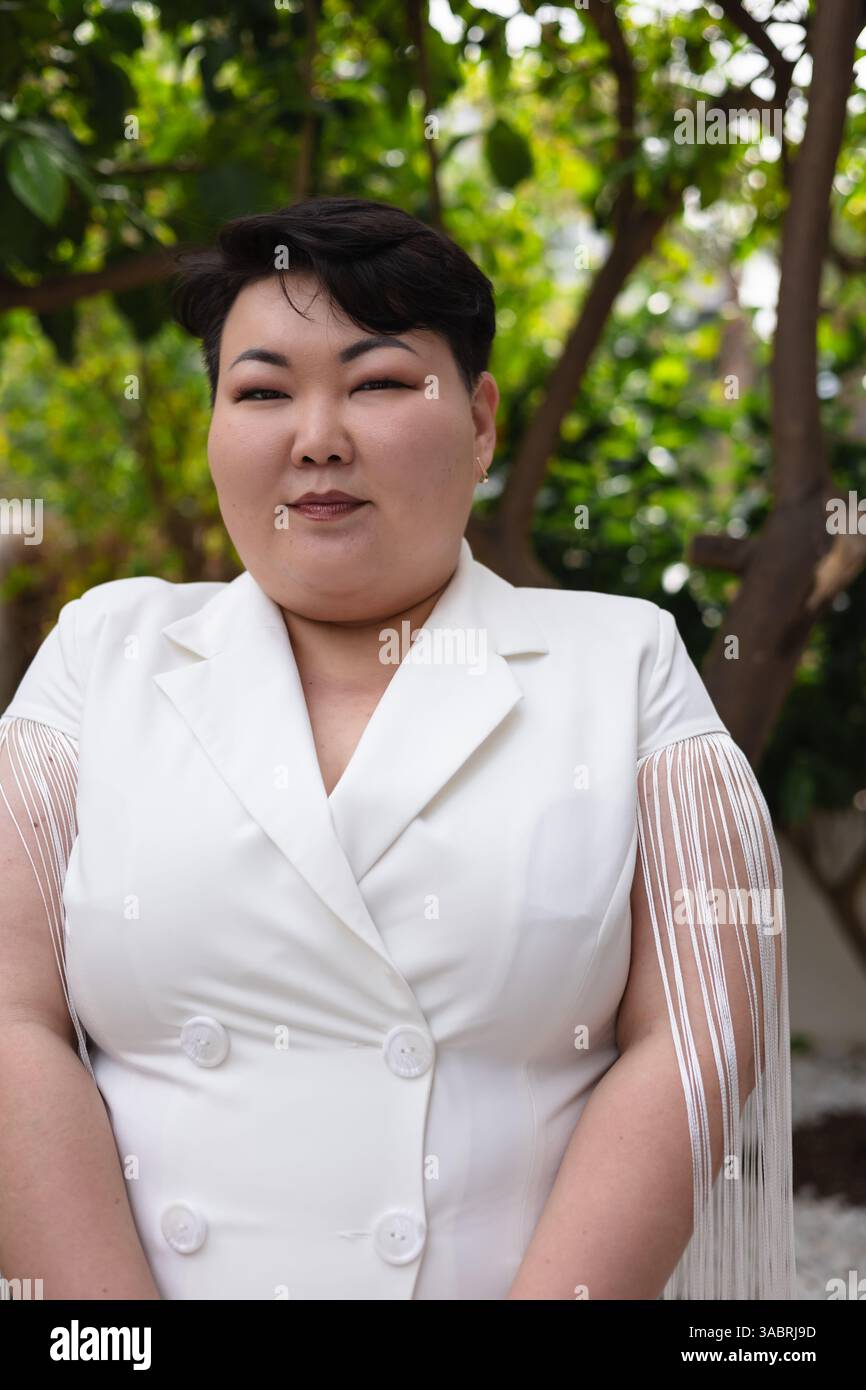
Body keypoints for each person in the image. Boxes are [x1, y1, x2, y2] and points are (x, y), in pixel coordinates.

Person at [0, 196, 796, 1300]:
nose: (317, 437)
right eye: (262, 391)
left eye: (376, 383)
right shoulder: (103, 655)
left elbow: (697, 1041)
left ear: (480, 422)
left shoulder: (622, 666)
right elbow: (11, 1017)